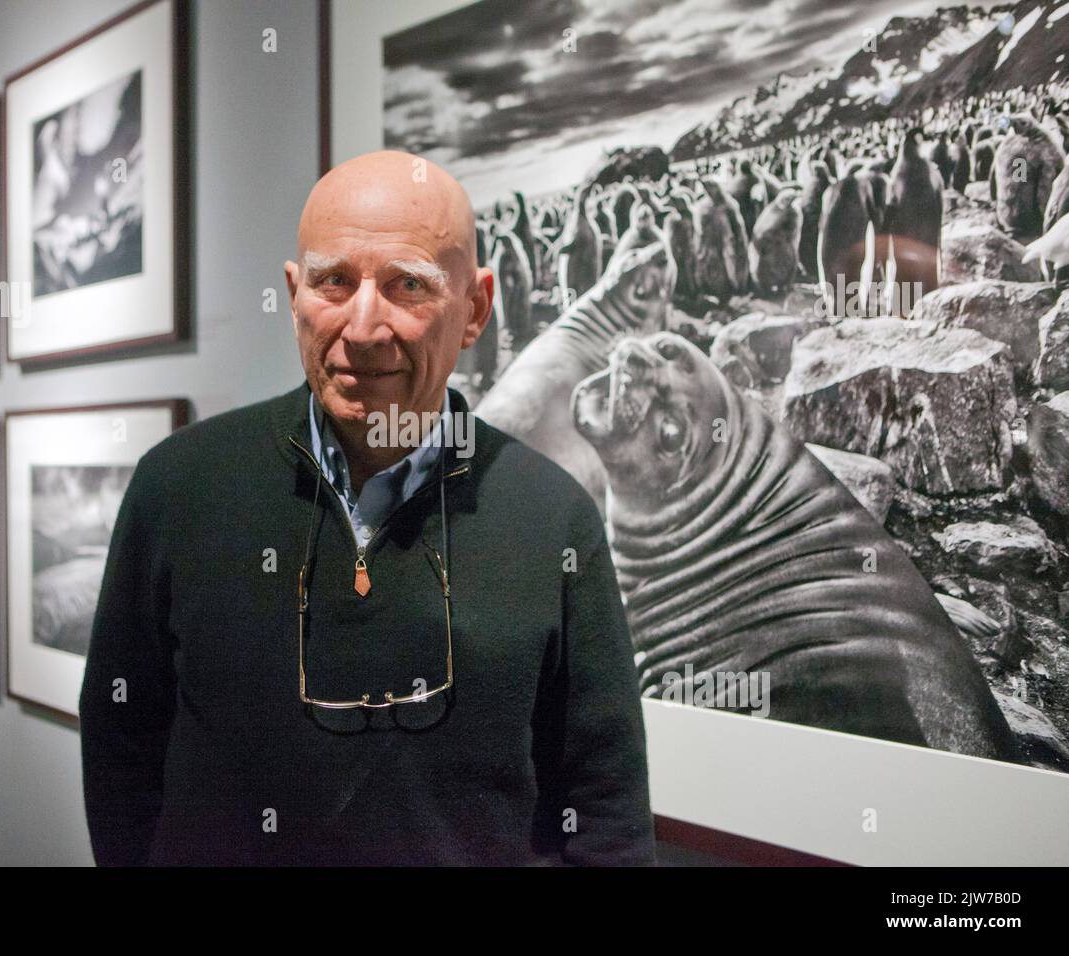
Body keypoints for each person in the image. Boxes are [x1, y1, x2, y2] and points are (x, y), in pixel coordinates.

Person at [78, 149, 655, 866]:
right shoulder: (177, 488)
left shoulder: (552, 516)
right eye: (334, 283)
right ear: (295, 294)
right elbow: (121, 753)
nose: (363, 326)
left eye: (408, 285)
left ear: (474, 309)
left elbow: (604, 807)